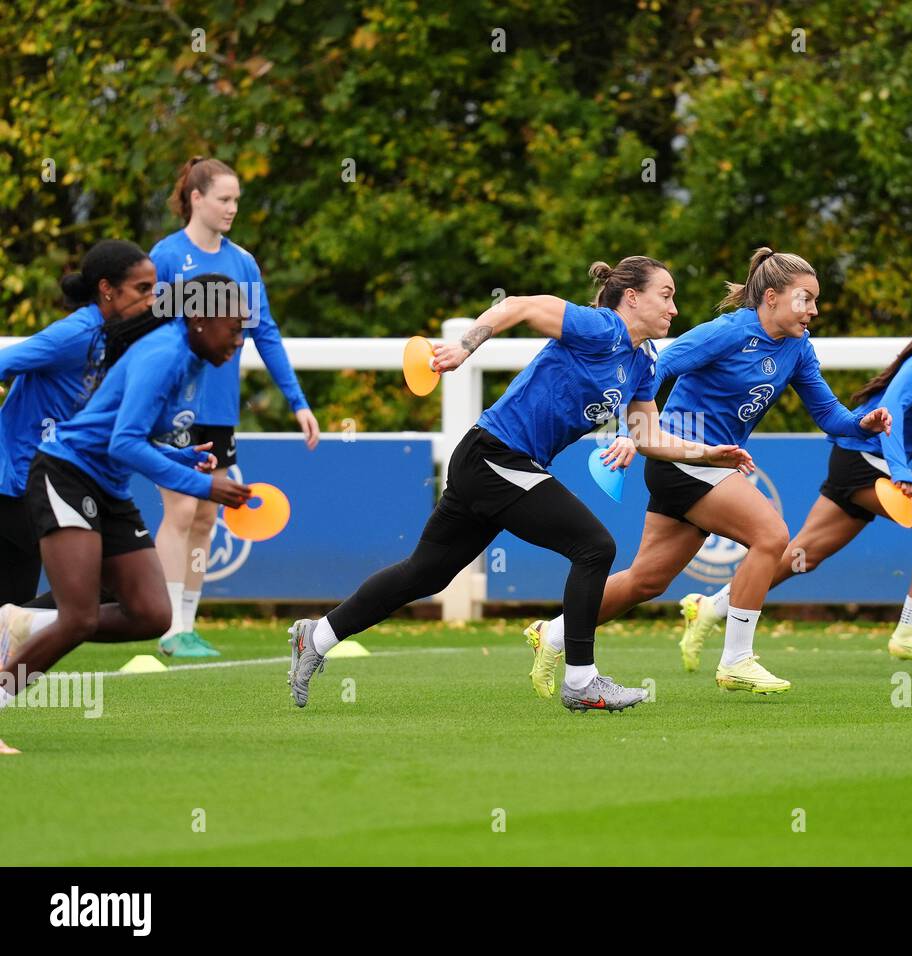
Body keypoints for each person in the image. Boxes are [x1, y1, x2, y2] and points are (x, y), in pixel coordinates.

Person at [284, 256, 753, 714]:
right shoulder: (600, 327)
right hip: (494, 456)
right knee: (593, 547)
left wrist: (709, 453)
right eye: (665, 296)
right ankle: (582, 681)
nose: (674, 308)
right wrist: (464, 347)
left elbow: (648, 437)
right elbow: (519, 306)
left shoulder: (644, 363)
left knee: (426, 573)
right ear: (631, 298)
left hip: (496, 464)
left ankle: (318, 635)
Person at [524, 248, 890, 698]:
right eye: (806, 299)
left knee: (647, 580)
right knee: (772, 536)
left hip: (701, 467)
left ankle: (555, 633)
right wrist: (631, 431)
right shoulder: (729, 331)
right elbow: (652, 370)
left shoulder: (797, 349)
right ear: (771, 297)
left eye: (815, 301)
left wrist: (861, 422)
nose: (814, 310)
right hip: (683, 458)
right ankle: (737, 660)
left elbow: (830, 415)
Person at [678, 295, 912, 668]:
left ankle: (709, 608)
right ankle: (910, 632)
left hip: (866, 460)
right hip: (865, 456)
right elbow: (893, 409)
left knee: (801, 556)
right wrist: (900, 470)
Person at [0, 273, 254, 755]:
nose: (240, 338)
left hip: (107, 485)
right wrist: (204, 484)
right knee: (78, 619)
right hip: (67, 474)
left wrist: (180, 458)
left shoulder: (192, 357)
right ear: (199, 320)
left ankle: (20, 621)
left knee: (153, 614)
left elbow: (126, 430)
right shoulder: (164, 355)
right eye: (234, 326)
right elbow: (122, 442)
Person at [149, 157, 320, 658]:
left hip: (219, 410)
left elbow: (265, 333)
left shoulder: (242, 262)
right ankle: (168, 627)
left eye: (237, 200)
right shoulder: (165, 257)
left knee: (206, 516)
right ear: (196, 198)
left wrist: (298, 402)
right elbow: (149, 333)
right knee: (180, 509)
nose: (232, 208)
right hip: (170, 407)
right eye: (224, 199)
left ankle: (187, 622)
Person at [0, 240, 161, 607]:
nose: (152, 299)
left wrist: (175, 455)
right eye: (142, 289)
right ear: (107, 289)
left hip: (44, 479)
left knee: (13, 610)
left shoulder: (117, 339)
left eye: (154, 289)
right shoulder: (74, 334)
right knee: (106, 583)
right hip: (17, 481)